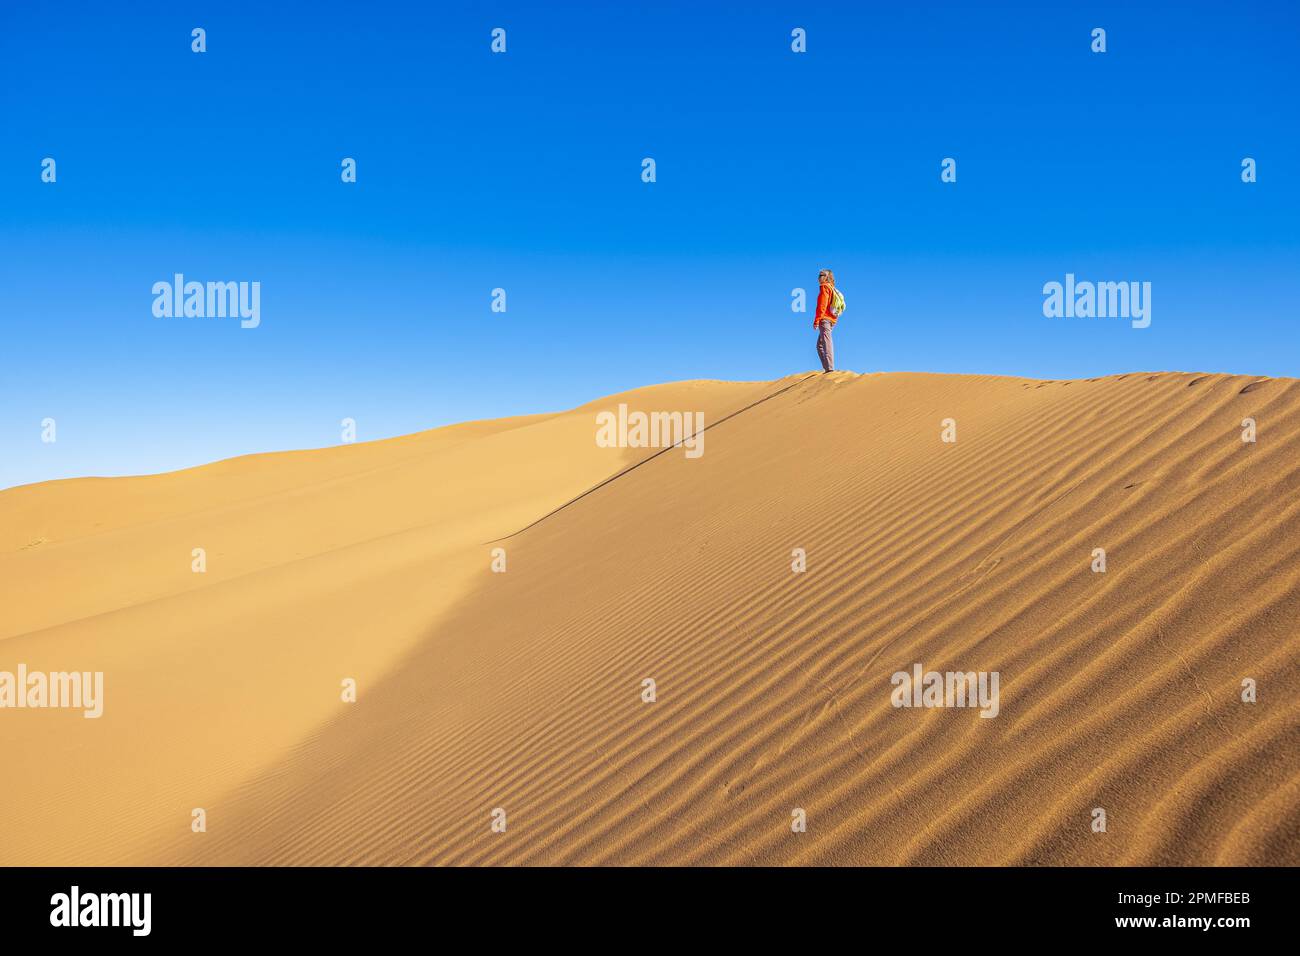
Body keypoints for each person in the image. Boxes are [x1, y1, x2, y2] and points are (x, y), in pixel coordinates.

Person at [813, 268, 839, 372]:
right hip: (831, 320)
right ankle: (828, 368)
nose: (819, 277)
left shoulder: (825, 287)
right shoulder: (832, 288)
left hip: (825, 320)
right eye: (819, 275)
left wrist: (817, 320)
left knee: (825, 343)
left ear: (827, 277)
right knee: (820, 345)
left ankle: (829, 369)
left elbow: (822, 305)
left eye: (822, 275)